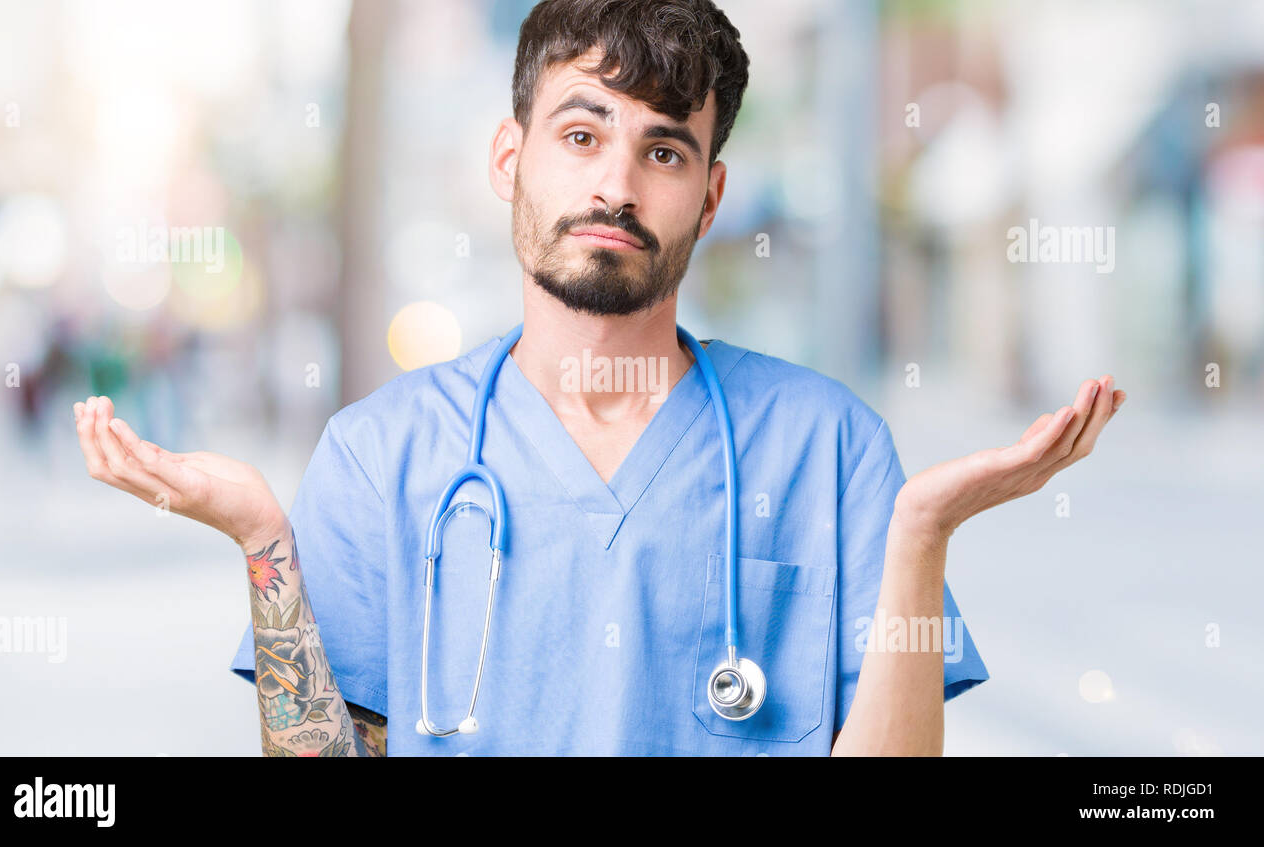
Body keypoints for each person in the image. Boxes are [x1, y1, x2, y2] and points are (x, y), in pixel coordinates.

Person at [73, 0, 1125, 757]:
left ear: (709, 201)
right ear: (508, 159)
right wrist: (264, 541)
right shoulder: (378, 451)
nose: (615, 185)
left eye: (664, 153)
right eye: (581, 134)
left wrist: (921, 534)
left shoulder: (830, 446)